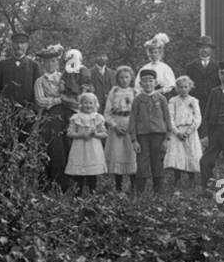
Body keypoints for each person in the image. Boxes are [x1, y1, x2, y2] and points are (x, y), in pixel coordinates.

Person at [0, 32, 41, 144]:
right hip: (6, 113)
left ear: (27, 46)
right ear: (12, 45)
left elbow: (38, 91)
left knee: (24, 145)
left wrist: (32, 110)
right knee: (4, 144)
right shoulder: (2, 65)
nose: (19, 46)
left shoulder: (34, 66)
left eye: (22, 43)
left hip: (27, 114)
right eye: (17, 43)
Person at [130, 67, 172, 195]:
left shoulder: (161, 99)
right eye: (145, 81)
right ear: (140, 83)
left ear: (155, 82)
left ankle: (158, 192)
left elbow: (167, 119)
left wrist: (166, 138)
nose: (148, 83)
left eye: (150, 81)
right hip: (142, 136)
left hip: (158, 136)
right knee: (142, 162)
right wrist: (134, 140)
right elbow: (132, 120)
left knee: (157, 162)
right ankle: (140, 192)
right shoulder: (137, 100)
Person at [34, 47, 71, 189]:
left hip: (65, 116)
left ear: (58, 63)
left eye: (53, 61)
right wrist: (59, 100)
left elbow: (71, 95)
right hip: (48, 118)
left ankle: (66, 183)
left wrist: (61, 99)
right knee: (51, 147)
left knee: (66, 145)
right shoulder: (40, 81)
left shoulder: (65, 77)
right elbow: (40, 101)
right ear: (43, 64)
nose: (50, 65)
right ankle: (48, 182)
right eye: (47, 62)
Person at [103, 65, 139, 193]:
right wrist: (114, 126)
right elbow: (107, 113)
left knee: (131, 154)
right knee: (117, 154)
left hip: (131, 126)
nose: (124, 80)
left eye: (126, 77)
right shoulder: (114, 92)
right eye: (121, 77)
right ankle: (118, 187)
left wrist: (134, 127)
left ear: (131, 78)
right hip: (117, 125)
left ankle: (133, 186)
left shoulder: (135, 92)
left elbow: (139, 112)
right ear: (117, 79)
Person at [65, 92, 108, 195]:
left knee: (92, 174)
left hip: (93, 148)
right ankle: (78, 193)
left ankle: (92, 193)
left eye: (90, 103)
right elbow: (69, 133)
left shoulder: (98, 117)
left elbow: (104, 134)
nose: (88, 105)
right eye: (85, 103)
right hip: (79, 148)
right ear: (81, 104)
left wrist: (96, 134)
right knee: (79, 173)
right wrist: (81, 135)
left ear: (95, 104)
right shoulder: (76, 117)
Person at [165, 75, 203, 188]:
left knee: (191, 153)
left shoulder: (194, 101)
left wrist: (189, 131)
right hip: (178, 130)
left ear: (190, 87)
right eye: (180, 87)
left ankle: (192, 179)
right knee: (178, 154)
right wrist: (176, 132)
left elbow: (198, 118)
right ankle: (177, 179)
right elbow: (170, 118)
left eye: (186, 87)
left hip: (190, 131)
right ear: (177, 88)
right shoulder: (173, 101)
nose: (183, 89)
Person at [185, 36, 221, 114]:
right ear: (198, 49)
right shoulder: (191, 66)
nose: (204, 50)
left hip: (213, 102)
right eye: (202, 47)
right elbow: (187, 85)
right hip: (196, 101)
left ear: (211, 49)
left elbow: (219, 84)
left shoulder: (217, 66)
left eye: (207, 47)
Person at [87, 47, 116, 115]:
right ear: (95, 57)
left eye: (104, 56)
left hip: (110, 109)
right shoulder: (88, 73)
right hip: (94, 109)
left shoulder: (113, 73)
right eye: (99, 56)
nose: (102, 58)